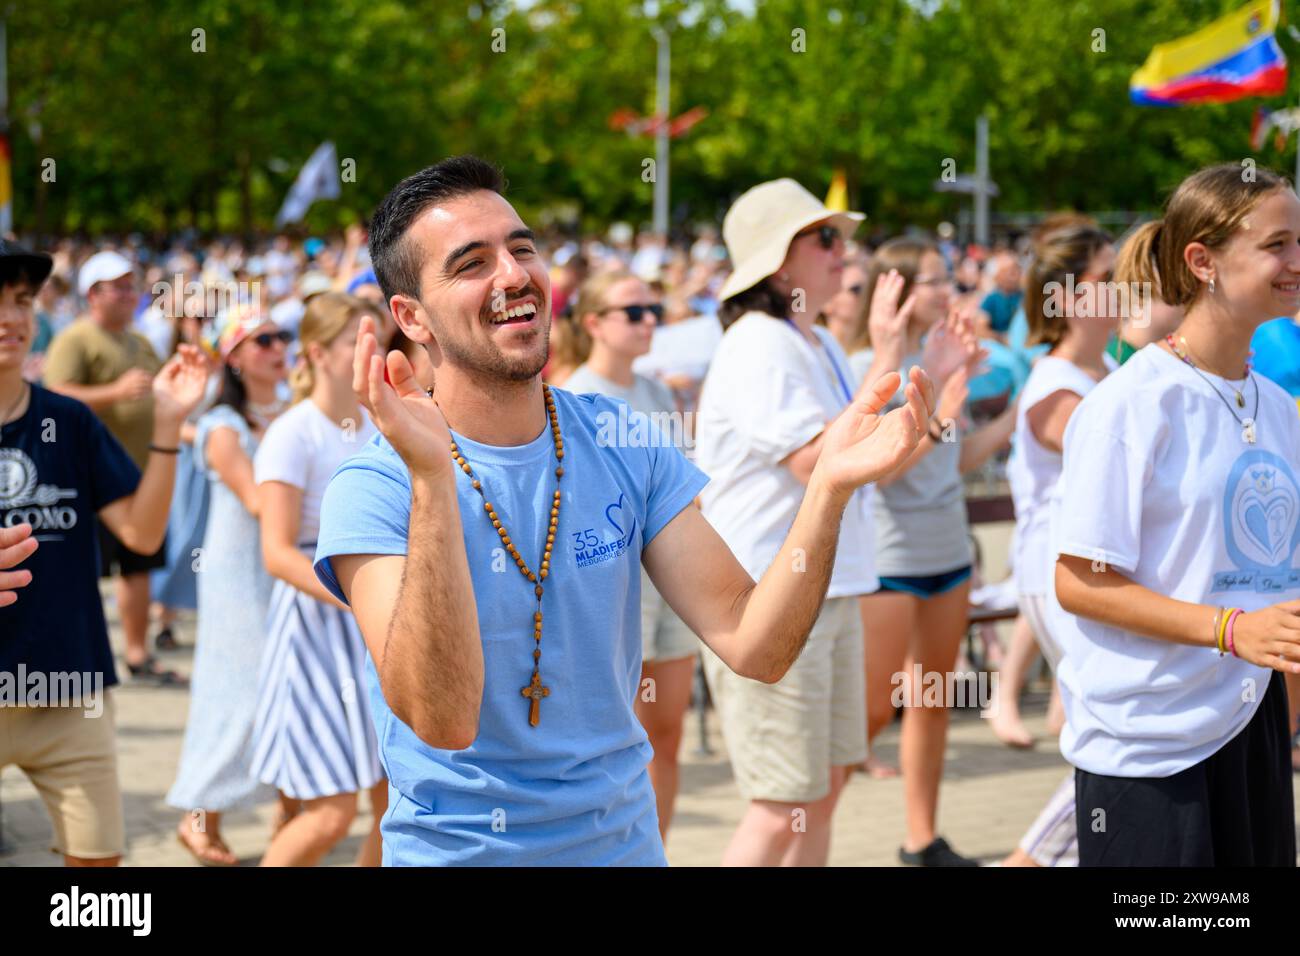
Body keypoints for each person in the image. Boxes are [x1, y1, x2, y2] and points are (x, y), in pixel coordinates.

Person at [312, 156, 934, 866]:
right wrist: (432, 479)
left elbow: (753, 644)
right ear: (411, 318)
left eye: (522, 248)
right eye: (471, 263)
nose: (514, 275)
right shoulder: (375, 484)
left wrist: (829, 488)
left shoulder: (622, 437)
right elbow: (443, 719)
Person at [1053, 163, 1300, 866]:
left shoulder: (1277, 407)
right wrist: (1231, 630)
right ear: (1203, 262)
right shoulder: (1131, 404)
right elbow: (1079, 582)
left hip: (1249, 724)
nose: (1297, 261)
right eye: (1278, 244)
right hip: (1147, 747)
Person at [693, 179, 892, 866]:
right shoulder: (760, 342)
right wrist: (896, 367)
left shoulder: (811, 340)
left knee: (823, 789)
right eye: (827, 238)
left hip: (818, 591)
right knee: (782, 807)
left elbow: (860, 457)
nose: (846, 252)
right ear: (781, 263)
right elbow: (819, 462)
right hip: (771, 597)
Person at [0, 238, 209, 866]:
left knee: (99, 884)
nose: (10, 319)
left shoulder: (67, 421)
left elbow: (141, 537)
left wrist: (169, 425)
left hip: (70, 689)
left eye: (18, 302)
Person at [857, 237, 1013, 867]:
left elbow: (956, 458)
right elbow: (883, 472)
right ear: (892, 288)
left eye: (946, 276)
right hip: (891, 562)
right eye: (931, 279)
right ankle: (803, 830)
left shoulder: (945, 357)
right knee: (871, 713)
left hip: (947, 552)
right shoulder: (875, 366)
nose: (946, 288)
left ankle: (921, 839)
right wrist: (944, 410)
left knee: (931, 703)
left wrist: (1011, 418)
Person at [252, 292, 387, 867]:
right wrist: (355, 595)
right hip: (317, 625)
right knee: (330, 813)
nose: (374, 351)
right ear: (319, 353)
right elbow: (277, 553)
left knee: (398, 798)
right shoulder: (293, 432)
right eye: (356, 341)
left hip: (373, 613)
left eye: (380, 338)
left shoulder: (380, 423)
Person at [996, 222, 1116, 866]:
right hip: (1058, 574)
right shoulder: (1054, 383)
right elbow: (1119, 461)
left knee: (1106, 733)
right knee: (1115, 734)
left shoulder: (1111, 366)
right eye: (1106, 277)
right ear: (1068, 297)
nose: (1122, 287)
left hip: (1092, 573)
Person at [562, 270, 696, 841]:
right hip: (615, 581)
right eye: (633, 311)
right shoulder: (571, 394)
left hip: (668, 578)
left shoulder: (655, 391)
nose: (649, 321)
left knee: (666, 736)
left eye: (653, 310)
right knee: (620, 739)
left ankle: (652, 848)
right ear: (593, 323)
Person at [167, 307, 290, 865]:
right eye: (262, 340)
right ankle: (197, 819)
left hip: (284, 569)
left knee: (288, 693)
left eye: (281, 336)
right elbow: (258, 500)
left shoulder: (294, 412)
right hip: (237, 576)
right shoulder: (223, 425)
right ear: (235, 357)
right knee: (232, 693)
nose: (277, 347)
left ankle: (289, 828)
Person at [42, 250, 181, 685]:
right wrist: (114, 391)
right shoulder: (76, 338)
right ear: (92, 294)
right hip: (90, 478)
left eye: (130, 285)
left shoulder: (138, 340)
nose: (128, 294)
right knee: (81, 571)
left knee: (139, 565)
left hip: (140, 472)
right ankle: (70, 658)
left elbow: (162, 387)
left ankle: (137, 656)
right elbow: (54, 396)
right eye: (117, 287)